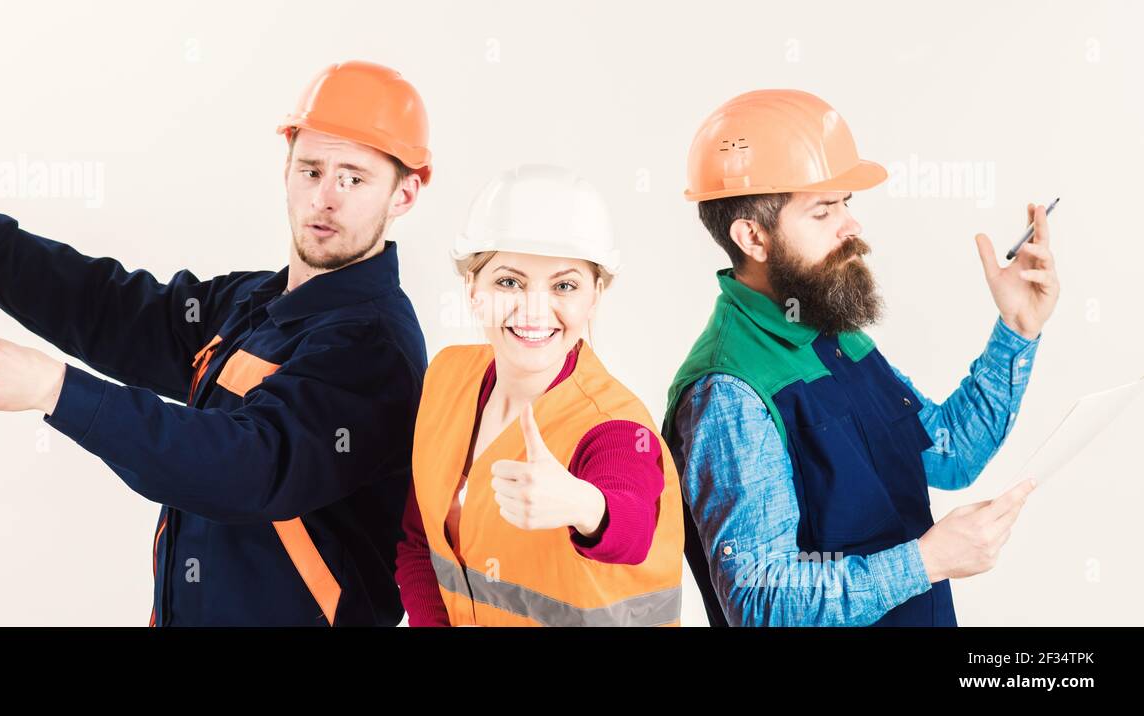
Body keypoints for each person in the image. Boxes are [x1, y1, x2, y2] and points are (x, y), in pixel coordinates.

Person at [0, 60, 432, 626]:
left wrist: (54, 389)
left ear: (404, 194)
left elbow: (250, 467)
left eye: (353, 178)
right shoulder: (251, 305)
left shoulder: (374, 347)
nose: (325, 197)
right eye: (312, 169)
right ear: (287, 167)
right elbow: (110, 308)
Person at [663, 90, 1055, 626]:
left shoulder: (835, 333)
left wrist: (1017, 328)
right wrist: (927, 561)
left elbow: (947, 453)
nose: (852, 226)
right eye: (824, 211)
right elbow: (759, 601)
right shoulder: (729, 391)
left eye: (846, 203)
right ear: (751, 236)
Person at [395, 165, 684, 626]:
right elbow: (418, 542)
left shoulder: (616, 426)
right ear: (472, 290)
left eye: (564, 286)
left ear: (594, 297)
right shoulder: (448, 377)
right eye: (508, 282)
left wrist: (585, 506)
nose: (533, 309)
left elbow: (631, 524)